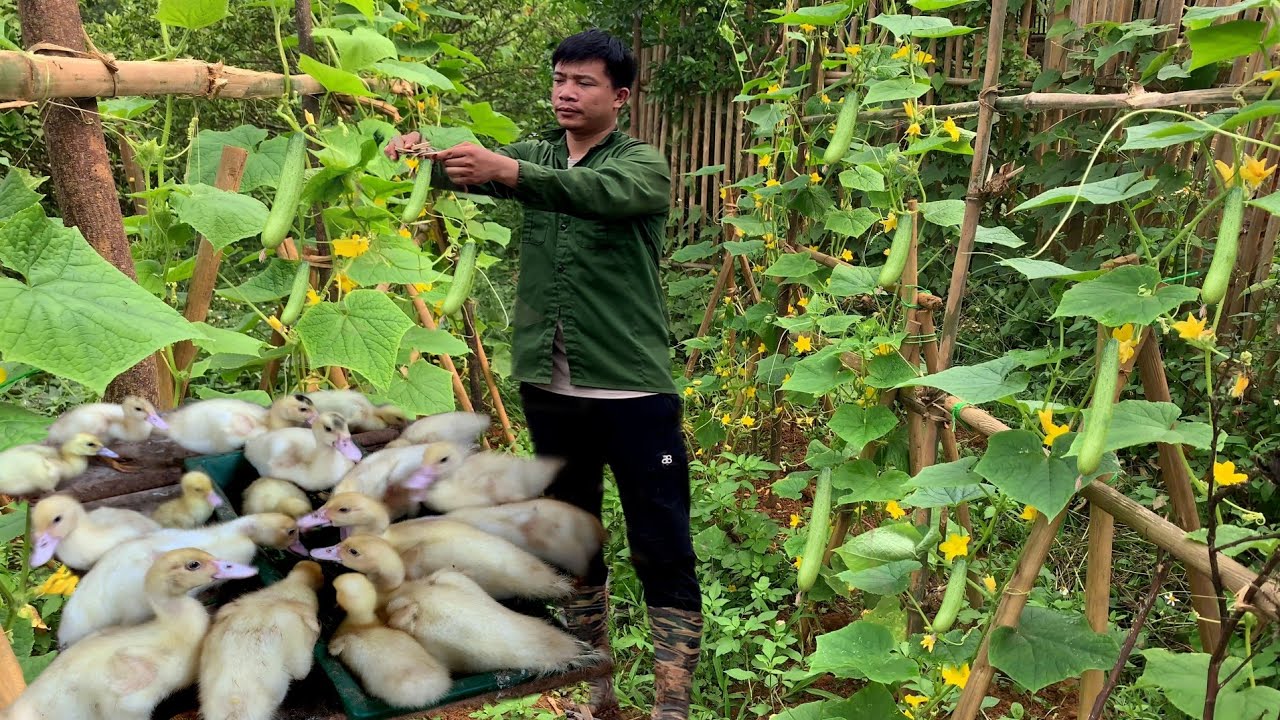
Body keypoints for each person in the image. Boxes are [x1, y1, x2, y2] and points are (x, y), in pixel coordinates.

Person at [383, 28, 702, 720]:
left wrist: (511, 173)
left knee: (662, 544)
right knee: (571, 538)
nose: (565, 92)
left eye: (583, 82)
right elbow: (477, 169)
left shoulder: (641, 165)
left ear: (621, 96)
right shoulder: (533, 153)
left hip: (632, 389)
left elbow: (594, 192)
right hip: (550, 388)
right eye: (559, 79)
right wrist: (422, 158)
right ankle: (596, 690)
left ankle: (672, 703)